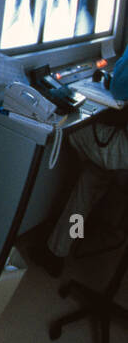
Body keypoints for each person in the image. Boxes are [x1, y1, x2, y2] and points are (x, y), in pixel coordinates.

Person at [41, 54, 128, 272]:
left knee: (66, 124)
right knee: (91, 181)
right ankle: (61, 248)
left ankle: (59, 250)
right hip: (121, 155)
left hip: (118, 152)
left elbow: (120, 88)